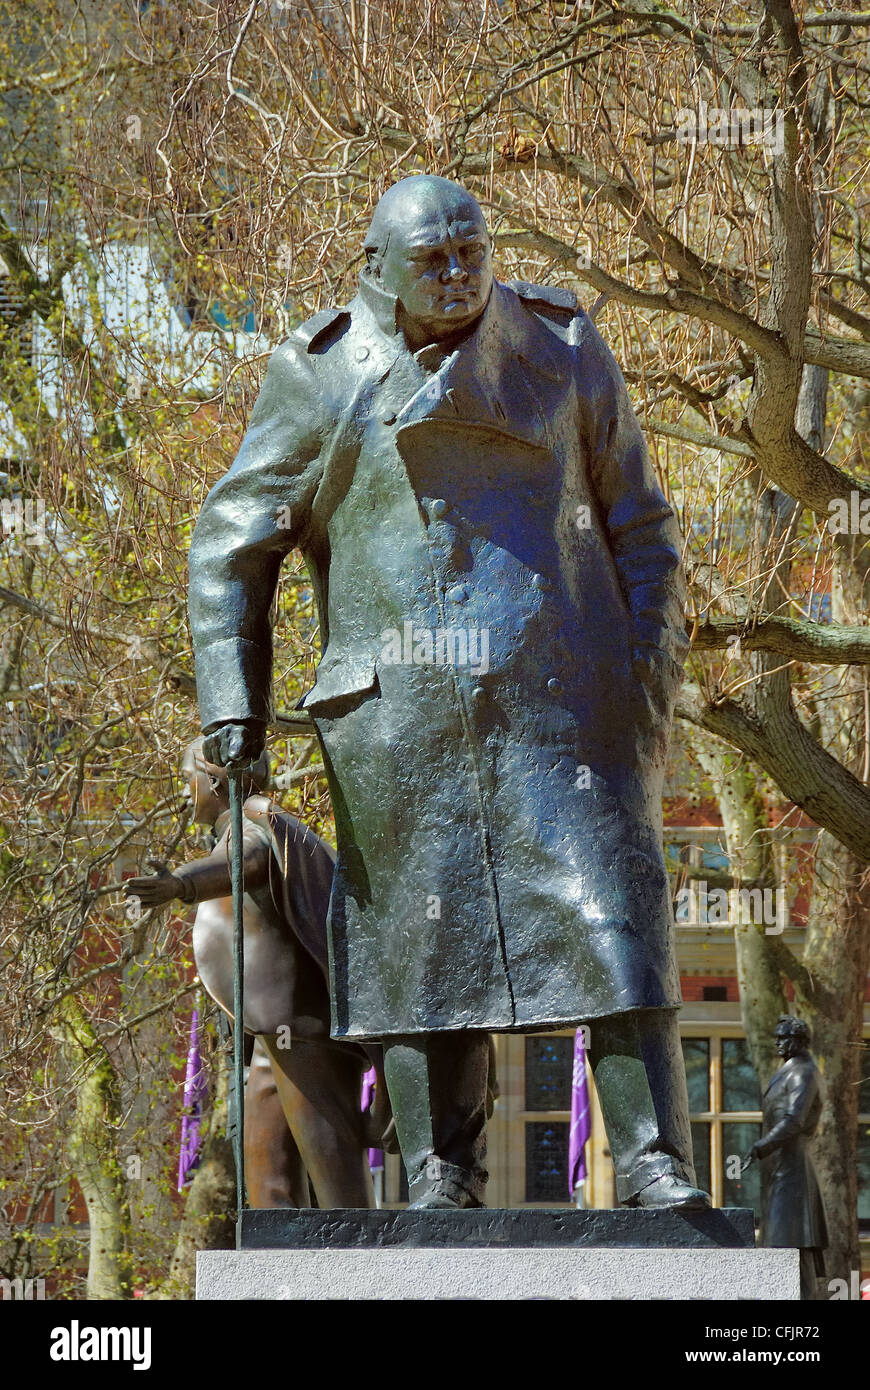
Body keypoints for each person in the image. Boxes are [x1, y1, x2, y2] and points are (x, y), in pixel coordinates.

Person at [188, 174, 709, 1211]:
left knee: (611, 912)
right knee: (424, 947)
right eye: (434, 258)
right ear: (375, 268)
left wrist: (644, 674)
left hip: (568, 707)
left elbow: (643, 527)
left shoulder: (560, 348)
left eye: (473, 249)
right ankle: (441, 1166)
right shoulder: (319, 376)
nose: (462, 270)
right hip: (401, 718)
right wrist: (231, 704)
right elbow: (229, 543)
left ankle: (652, 1155)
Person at [125, 739, 383, 1207]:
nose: (187, 790)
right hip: (276, 1035)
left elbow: (243, 864)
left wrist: (181, 884)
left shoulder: (259, 825)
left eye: (190, 777)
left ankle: (363, 1271)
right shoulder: (252, 828)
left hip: (304, 1033)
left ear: (217, 780)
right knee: (269, 1184)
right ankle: (280, 1275)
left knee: (337, 1182)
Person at [749, 1016, 828, 1299]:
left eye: (783, 1037)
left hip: (793, 1172)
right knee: (785, 1245)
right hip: (780, 1170)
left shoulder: (803, 1072)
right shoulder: (790, 1070)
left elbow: (794, 1120)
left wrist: (762, 1146)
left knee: (791, 1246)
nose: (777, 1042)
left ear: (798, 1040)